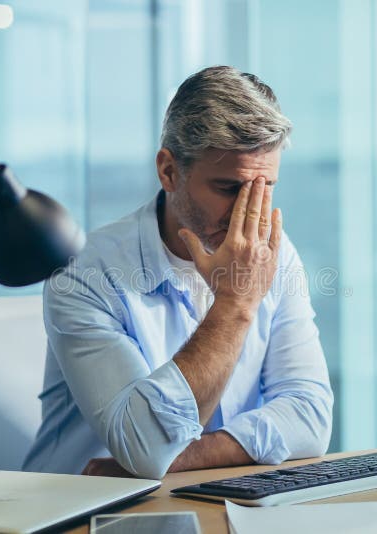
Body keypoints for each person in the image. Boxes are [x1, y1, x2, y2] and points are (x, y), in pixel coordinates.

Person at [23, 65, 333, 479]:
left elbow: (310, 417)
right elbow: (149, 447)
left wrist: (183, 458)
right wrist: (236, 303)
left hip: (209, 498)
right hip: (83, 512)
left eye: (266, 187)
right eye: (229, 188)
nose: (251, 214)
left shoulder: (274, 253)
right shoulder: (85, 272)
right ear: (169, 170)